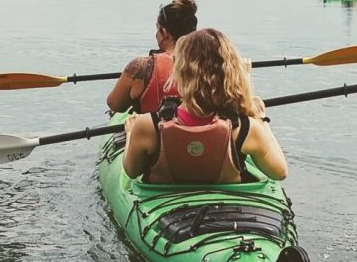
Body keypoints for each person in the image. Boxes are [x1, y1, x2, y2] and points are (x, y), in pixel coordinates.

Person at [122, 28, 288, 184]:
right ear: (232, 73)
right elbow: (279, 173)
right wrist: (261, 119)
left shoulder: (147, 126)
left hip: (165, 204)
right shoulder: (246, 129)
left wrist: (130, 133)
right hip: (231, 210)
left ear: (181, 72)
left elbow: (131, 171)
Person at [106, 0, 198, 114]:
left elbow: (115, 104)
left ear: (164, 33)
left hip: (152, 131)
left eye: (157, 28)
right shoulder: (210, 64)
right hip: (200, 131)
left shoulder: (141, 66)